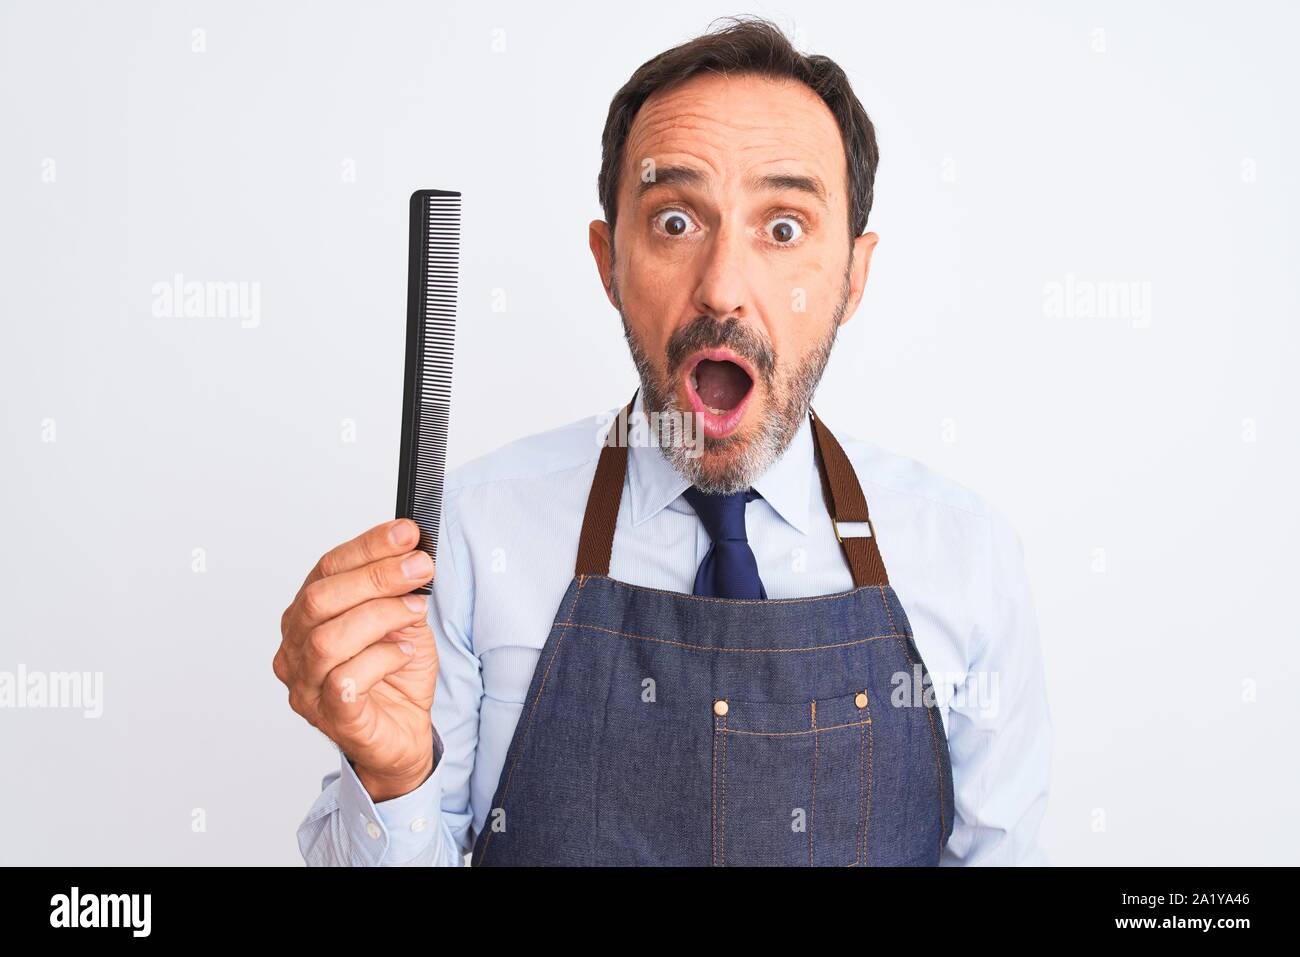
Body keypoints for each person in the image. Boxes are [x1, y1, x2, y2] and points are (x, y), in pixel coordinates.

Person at [274, 15, 1051, 866]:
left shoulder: (966, 555)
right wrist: (393, 774)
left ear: (853, 277)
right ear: (609, 260)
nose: (722, 287)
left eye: (783, 228)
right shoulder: (474, 533)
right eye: (675, 221)